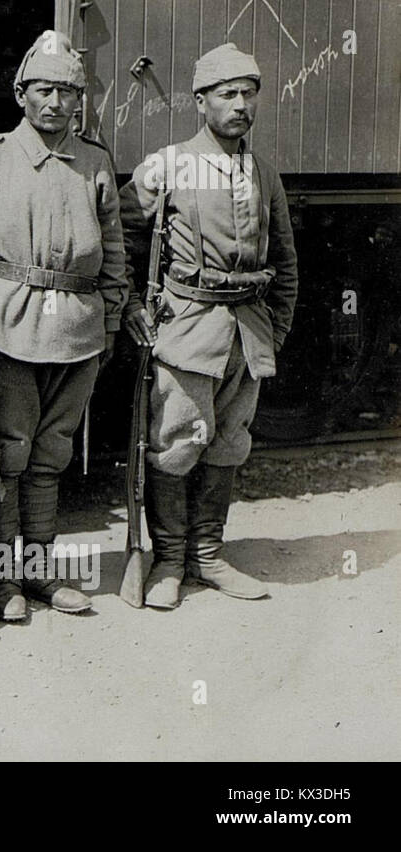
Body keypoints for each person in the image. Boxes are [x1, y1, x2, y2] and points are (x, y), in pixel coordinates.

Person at [120, 42, 298, 609]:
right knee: (177, 443)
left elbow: (286, 261)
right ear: (201, 102)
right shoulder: (167, 164)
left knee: (228, 444)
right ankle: (170, 560)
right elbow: (118, 233)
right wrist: (129, 307)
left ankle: (208, 555)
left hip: (249, 331)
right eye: (227, 94)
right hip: (187, 329)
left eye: (249, 93)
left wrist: (279, 329)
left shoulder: (263, 172)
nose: (241, 104)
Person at [0, 31, 128, 623]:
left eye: (67, 93)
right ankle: (4, 580)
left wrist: (109, 322)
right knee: (10, 453)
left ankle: (39, 574)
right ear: (20, 94)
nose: (55, 103)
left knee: (52, 453)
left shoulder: (96, 163)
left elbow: (114, 250)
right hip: (12, 327)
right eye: (43, 91)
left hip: (77, 329)